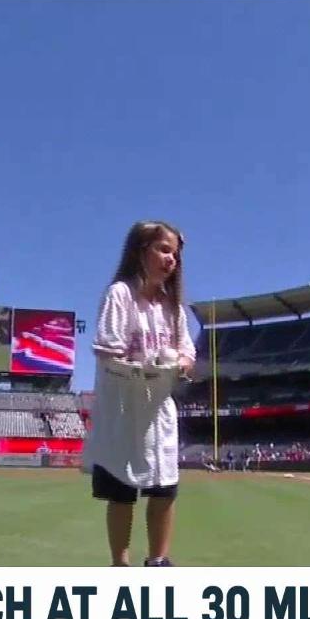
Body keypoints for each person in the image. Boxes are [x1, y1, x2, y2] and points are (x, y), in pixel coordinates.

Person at [82, 220, 195, 567]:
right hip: (123, 406)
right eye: (163, 249)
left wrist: (181, 364)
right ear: (139, 251)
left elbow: (188, 351)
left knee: (164, 489)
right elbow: (107, 351)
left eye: (174, 253)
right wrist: (142, 367)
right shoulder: (120, 295)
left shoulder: (172, 308)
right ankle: (120, 564)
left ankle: (158, 562)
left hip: (158, 409)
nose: (171, 259)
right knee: (121, 492)